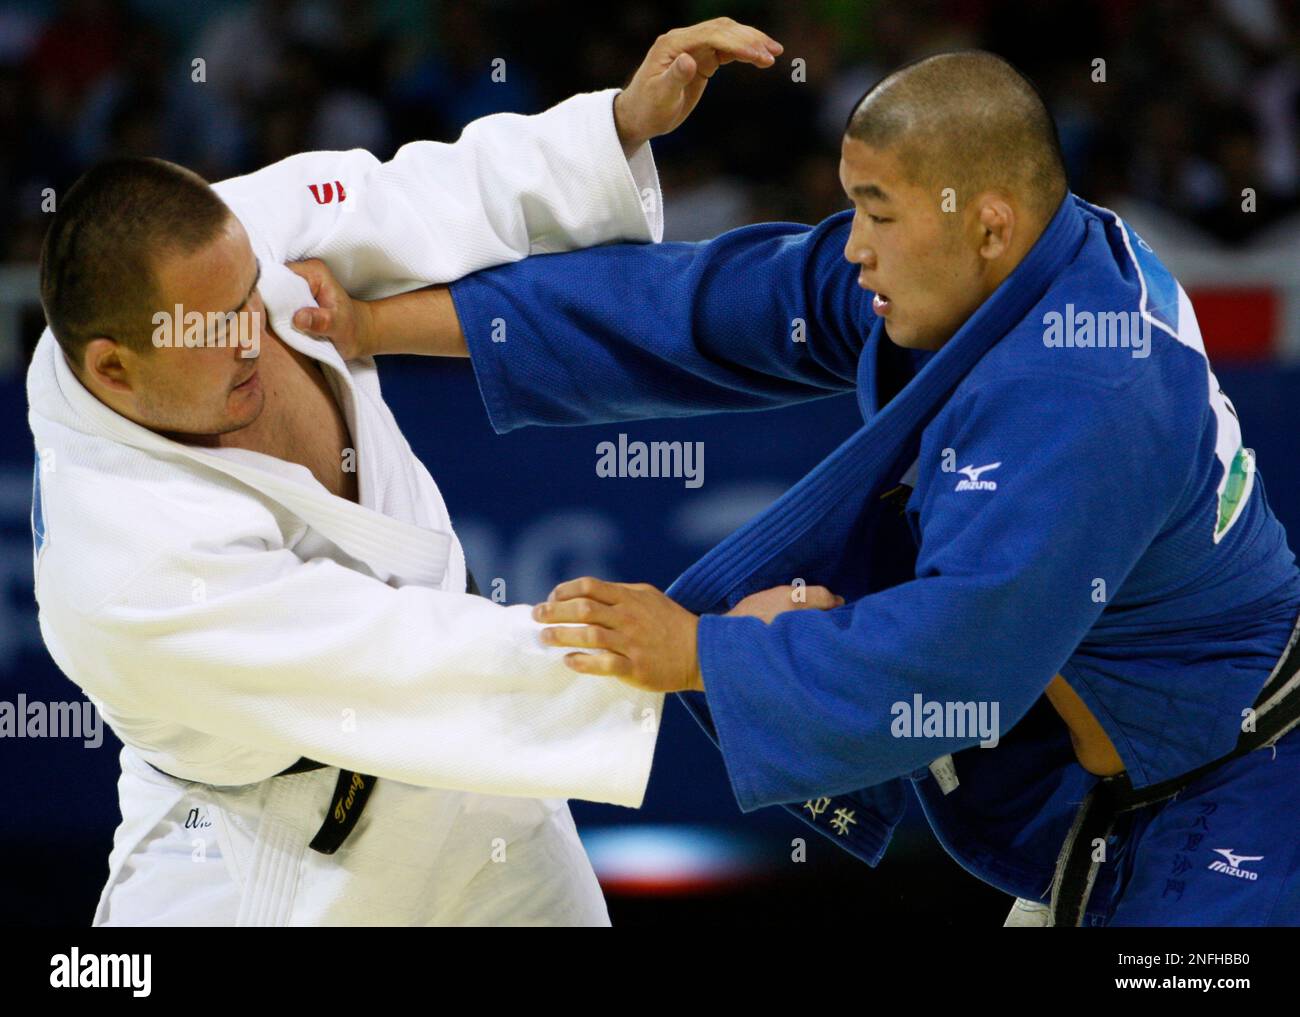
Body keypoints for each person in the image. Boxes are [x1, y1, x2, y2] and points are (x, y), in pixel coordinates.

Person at [303, 51, 1300, 926]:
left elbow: (958, 662)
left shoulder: (1085, 391)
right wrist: (380, 328)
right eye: (853, 205)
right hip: (1119, 786)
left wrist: (701, 651)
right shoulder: (999, 263)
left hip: (1238, 790)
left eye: (877, 214)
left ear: (986, 225)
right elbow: (699, 307)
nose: (853, 246)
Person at [29, 19, 789, 926]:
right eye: (213, 329)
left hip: (478, 766)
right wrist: (698, 654)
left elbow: (412, 195)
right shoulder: (124, 561)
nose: (251, 334)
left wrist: (617, 126)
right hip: (283, 845)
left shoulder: (212, 247)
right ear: (111, 369)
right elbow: (394, 663)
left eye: (248, 300)